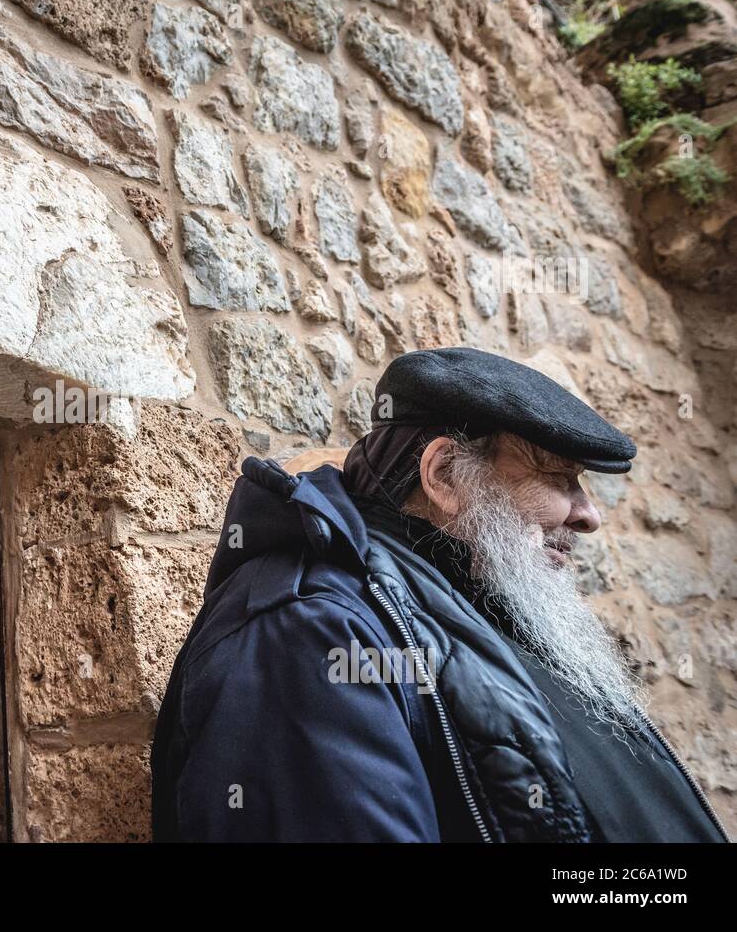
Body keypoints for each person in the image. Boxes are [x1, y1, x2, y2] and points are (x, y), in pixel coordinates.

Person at [150, 346, 730, 842]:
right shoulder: (310, 633)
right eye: (558, 478)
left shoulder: (478, 600)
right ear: (445, 475)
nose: (589, 516)